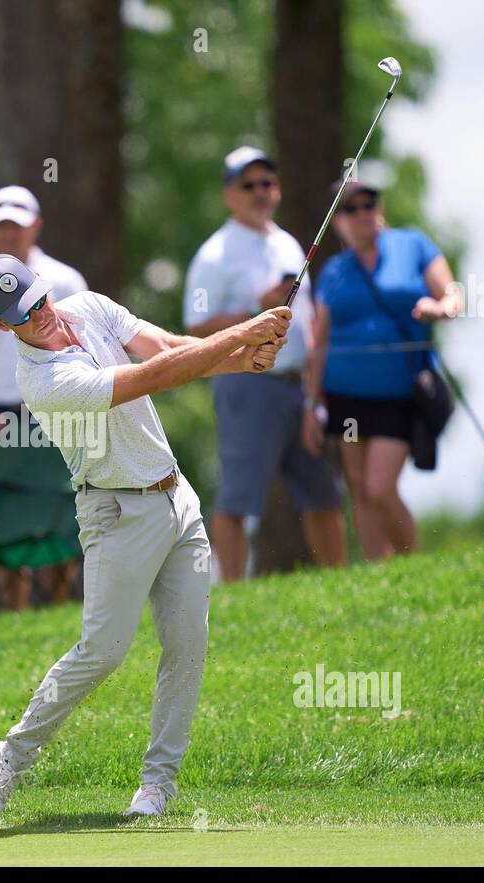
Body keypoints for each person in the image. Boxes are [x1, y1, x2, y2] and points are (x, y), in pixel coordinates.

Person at [0, 253, 289, 817]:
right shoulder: (42, 380)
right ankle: (8, 759)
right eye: (21, 312)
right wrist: (241, 334)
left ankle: (157, 785)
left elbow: (164, 350)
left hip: (176, 498)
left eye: (38, 297)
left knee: (188, 645)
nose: (39, 312)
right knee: (103, 652)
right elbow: (149, 379)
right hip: (114, 514)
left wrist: (240, 359)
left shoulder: (87, 307)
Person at [184, 146, 346, 578]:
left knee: (324, 494)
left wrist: (315, 395)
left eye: (267, 183)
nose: (260, 191)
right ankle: (234, 592)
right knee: (238, 498)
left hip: (299, 386)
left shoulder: (289, 245)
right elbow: (196, 327)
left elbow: (310, 323)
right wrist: (256, 313)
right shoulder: (215, 254)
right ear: (229, 194)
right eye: (248, 184)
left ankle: (342, 582)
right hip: (245, 384)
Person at [303, 181, 461, 561]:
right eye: (350, 209)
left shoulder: (412, 244)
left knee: (379, 487)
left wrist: (438, 308)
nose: (361, 214)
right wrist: (310, 405)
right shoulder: (334, 272)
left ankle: (413, 565)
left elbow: (453, 295)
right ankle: (378, 572)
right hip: (345, 395)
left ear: (379, 207)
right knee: (358, 488)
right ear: (337, 222)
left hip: (400, 392)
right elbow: (318, 342)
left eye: (368, 203)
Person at [0, 185, 88, 609]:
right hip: (5, 415)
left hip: (57, 406)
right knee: (8, 513)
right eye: (2, 226)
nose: (9, 233)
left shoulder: (64, 280)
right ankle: (11, 611)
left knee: (61, 508)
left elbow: (84, 344)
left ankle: (56, 606)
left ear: (35, 226)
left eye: (16, 224)